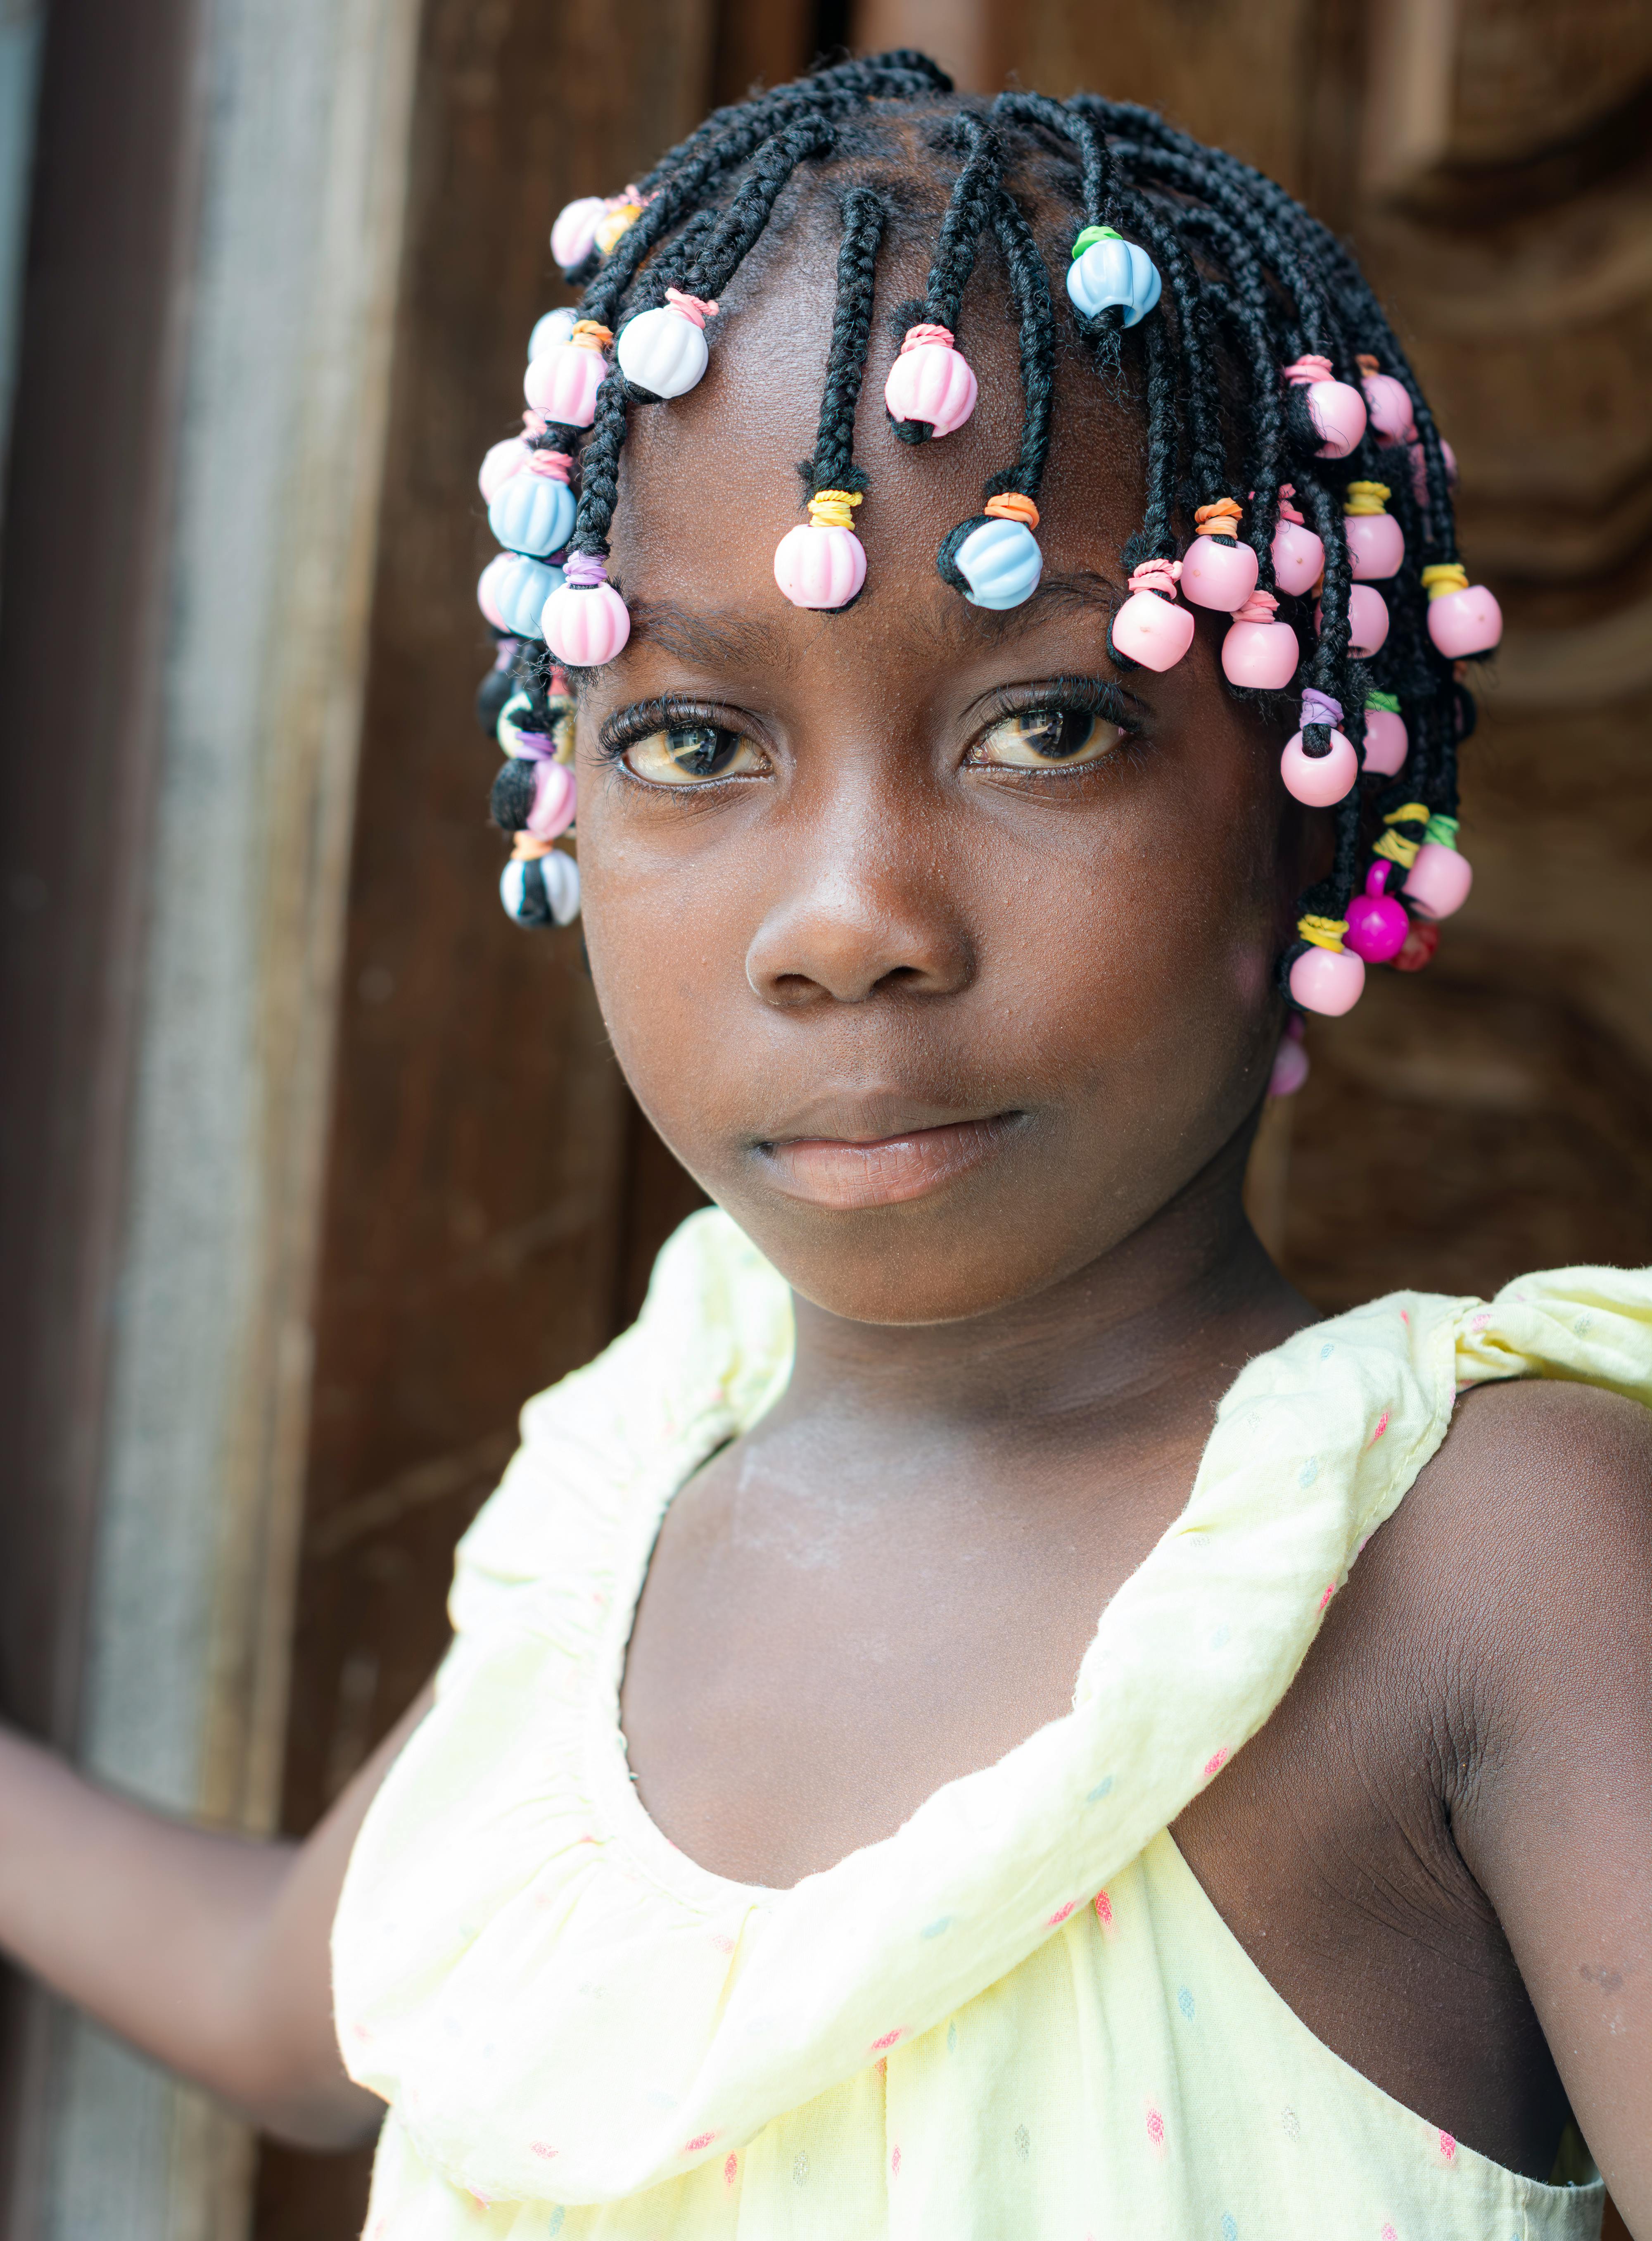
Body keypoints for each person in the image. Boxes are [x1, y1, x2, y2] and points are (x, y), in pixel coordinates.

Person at [2, 50, 1649, 2241]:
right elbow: (285, 2000)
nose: (852, 915)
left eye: (1052, 721)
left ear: (1314, 795)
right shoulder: (644, 1483)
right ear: (567, 797)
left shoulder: (1479, 1557)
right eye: (693, 737)